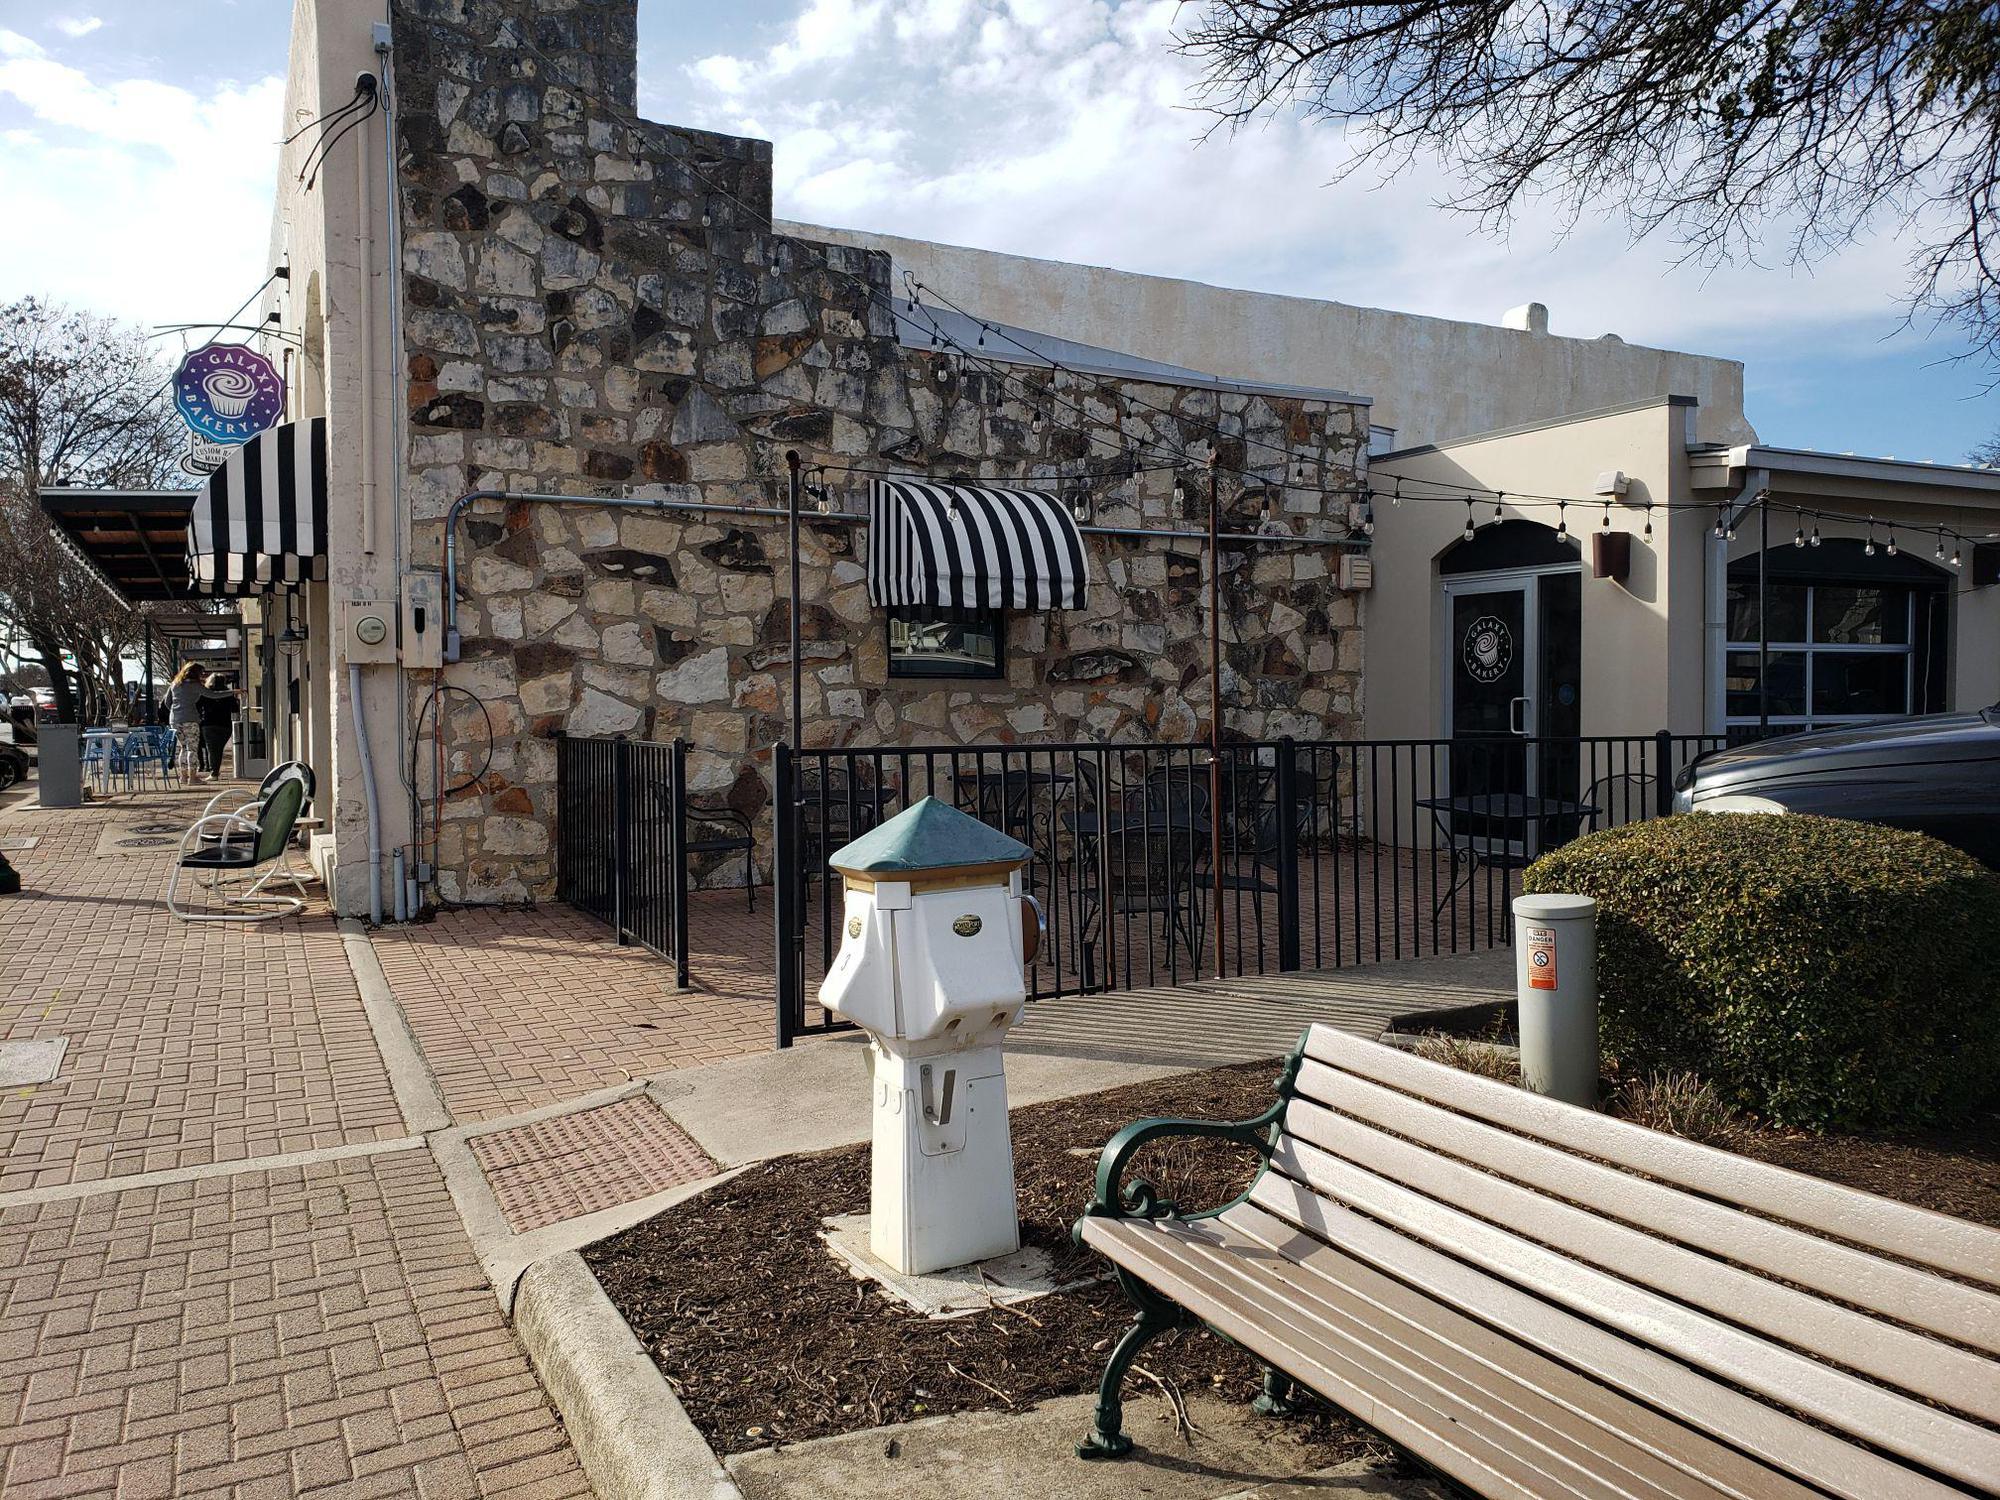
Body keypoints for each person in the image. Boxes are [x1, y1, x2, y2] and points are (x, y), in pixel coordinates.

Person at [197, 674, 239, 780]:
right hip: (225, 725)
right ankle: (215, 771)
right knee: (219, 749)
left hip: (209, 724)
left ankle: (214, 773)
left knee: (211, 749)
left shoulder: (205, 693)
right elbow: (235, 709)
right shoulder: (228, 694)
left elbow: (197, 707)